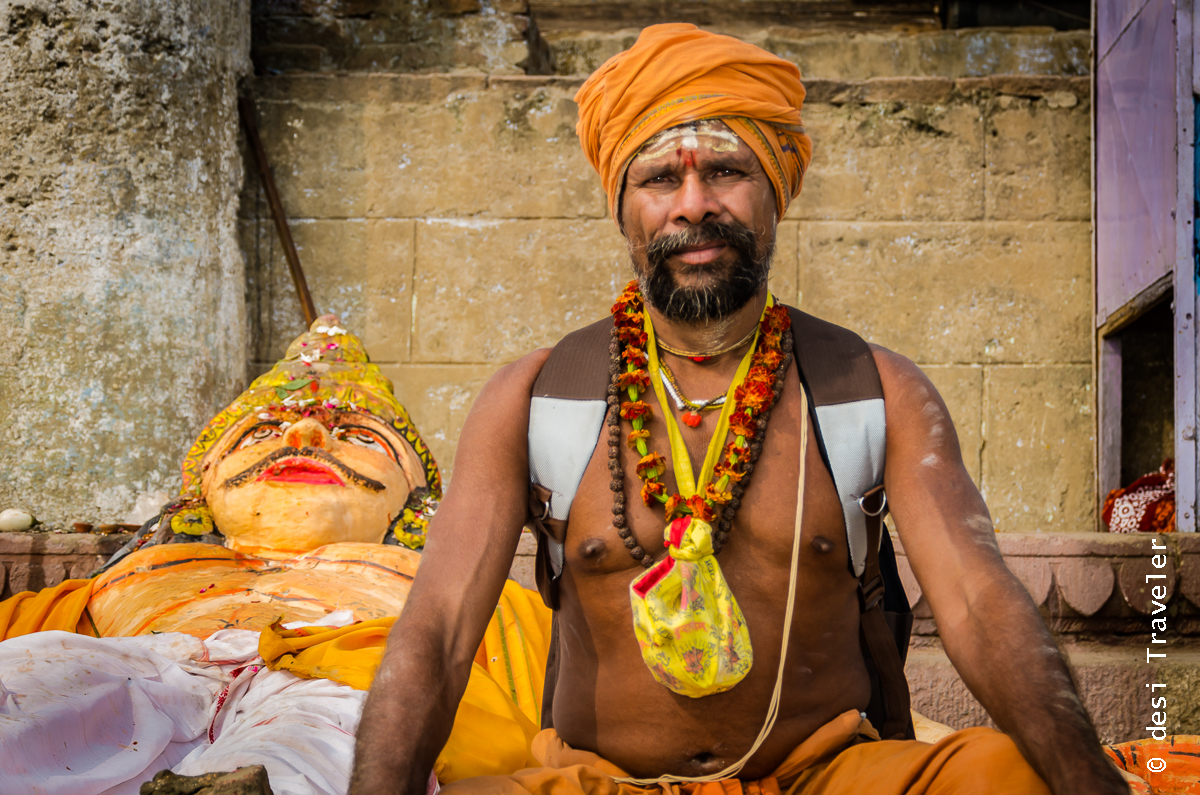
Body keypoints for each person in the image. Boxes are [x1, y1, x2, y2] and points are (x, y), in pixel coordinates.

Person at [350, 24, 1129, 795]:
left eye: (725, 170)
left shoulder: (874, 387)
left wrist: (1091, 782)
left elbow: (977, 600)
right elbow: (441, 629)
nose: (695, 205)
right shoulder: (532, 397)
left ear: (775, 193)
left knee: (1005, 775)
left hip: (824, 776)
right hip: (600, 784)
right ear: (622, 209)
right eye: (660, 179)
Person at [0, 317, 551, 795]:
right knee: (35, 684)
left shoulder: (446, 583)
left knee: (304, 748)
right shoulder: (122, 577)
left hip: (330, 683)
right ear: (206, 483)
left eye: (359, 436)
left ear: (413, 497)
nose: (305, 434)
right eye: (263, 430)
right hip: (143, 660)